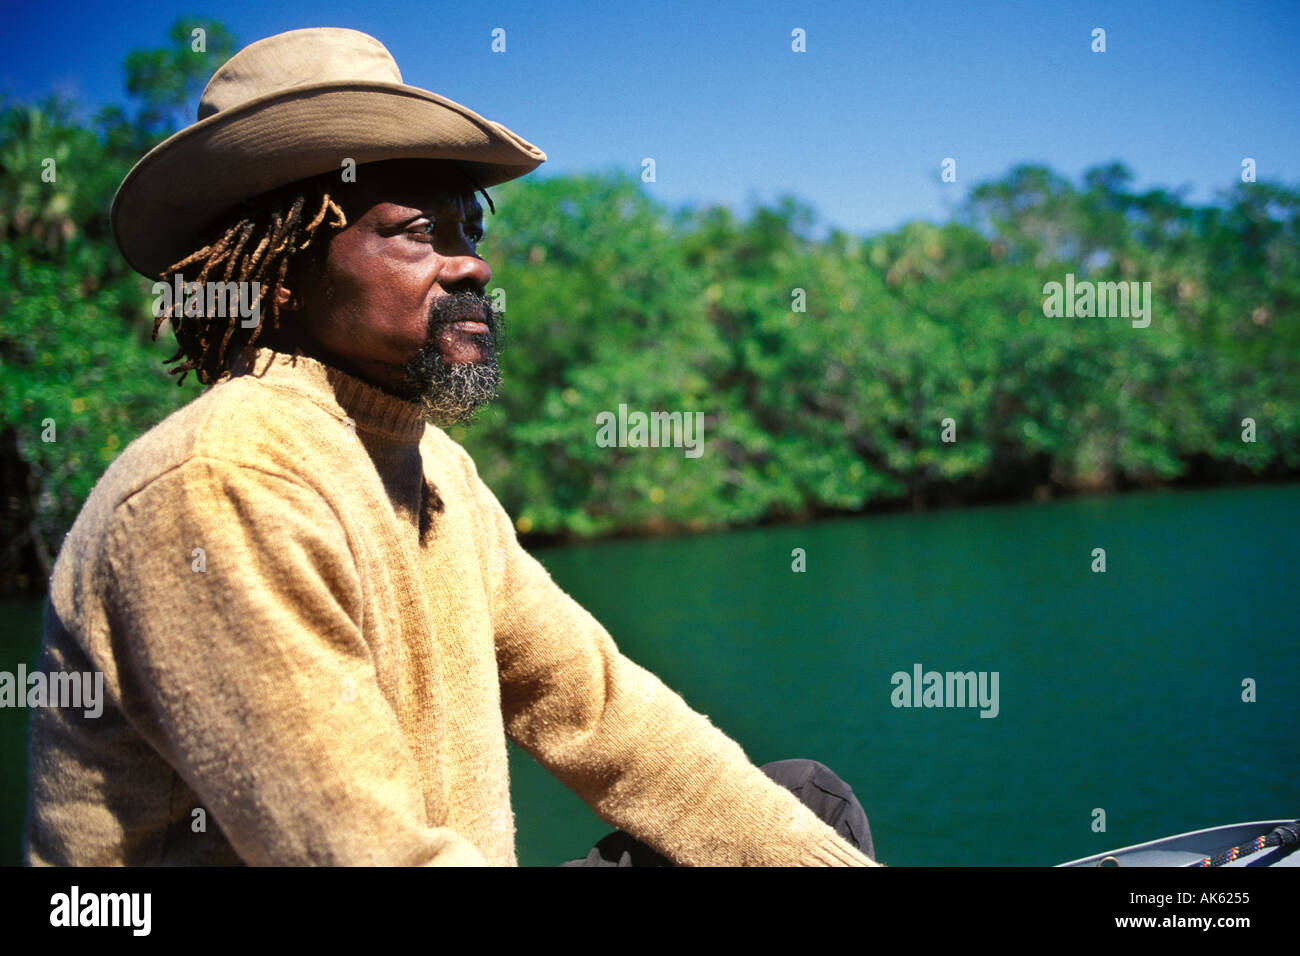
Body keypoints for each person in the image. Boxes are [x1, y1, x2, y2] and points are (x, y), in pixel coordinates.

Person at [23, 27, 879, 867]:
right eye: (419, 233)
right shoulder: (223, 481)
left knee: (802, 808)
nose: (471, 267)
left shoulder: (436, 470)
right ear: (281, 273)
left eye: (469, 230)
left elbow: (602, 712)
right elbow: (358, 853)